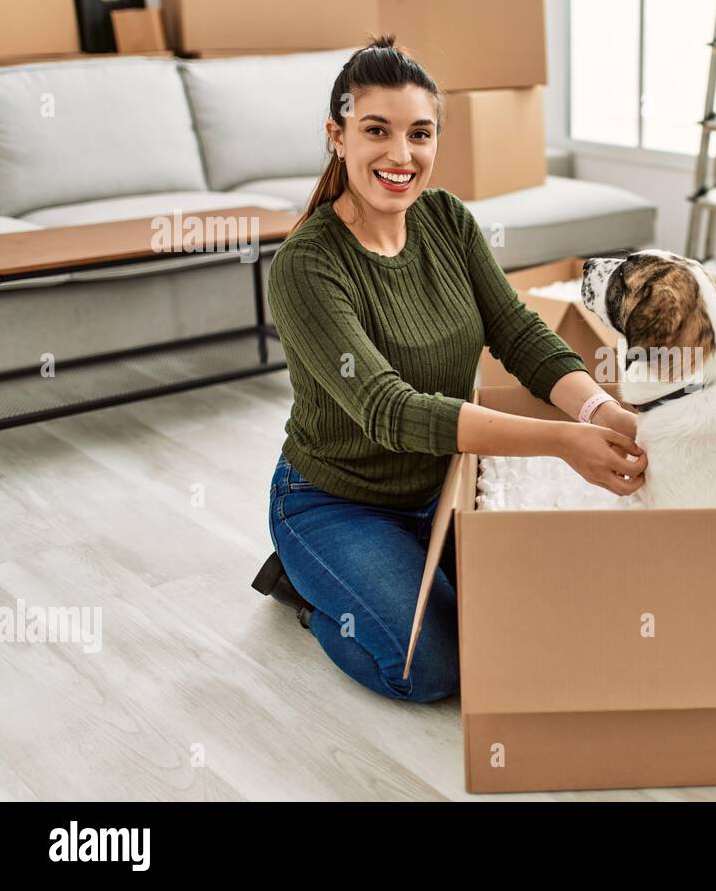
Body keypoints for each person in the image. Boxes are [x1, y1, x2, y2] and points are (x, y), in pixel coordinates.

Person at [257, 36, 645, 702]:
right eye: (376, 130)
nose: (401, 156)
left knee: (535, 622)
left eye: (420, 133)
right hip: (337, 501)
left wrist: (604, 414)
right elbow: (389, 409)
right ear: (337, 135)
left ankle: (394, 578)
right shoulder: (307, 266)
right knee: (430, 667)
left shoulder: (445, 219)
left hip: (443, 483)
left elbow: (520, 334)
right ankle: (311, 597)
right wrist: (560, 441)